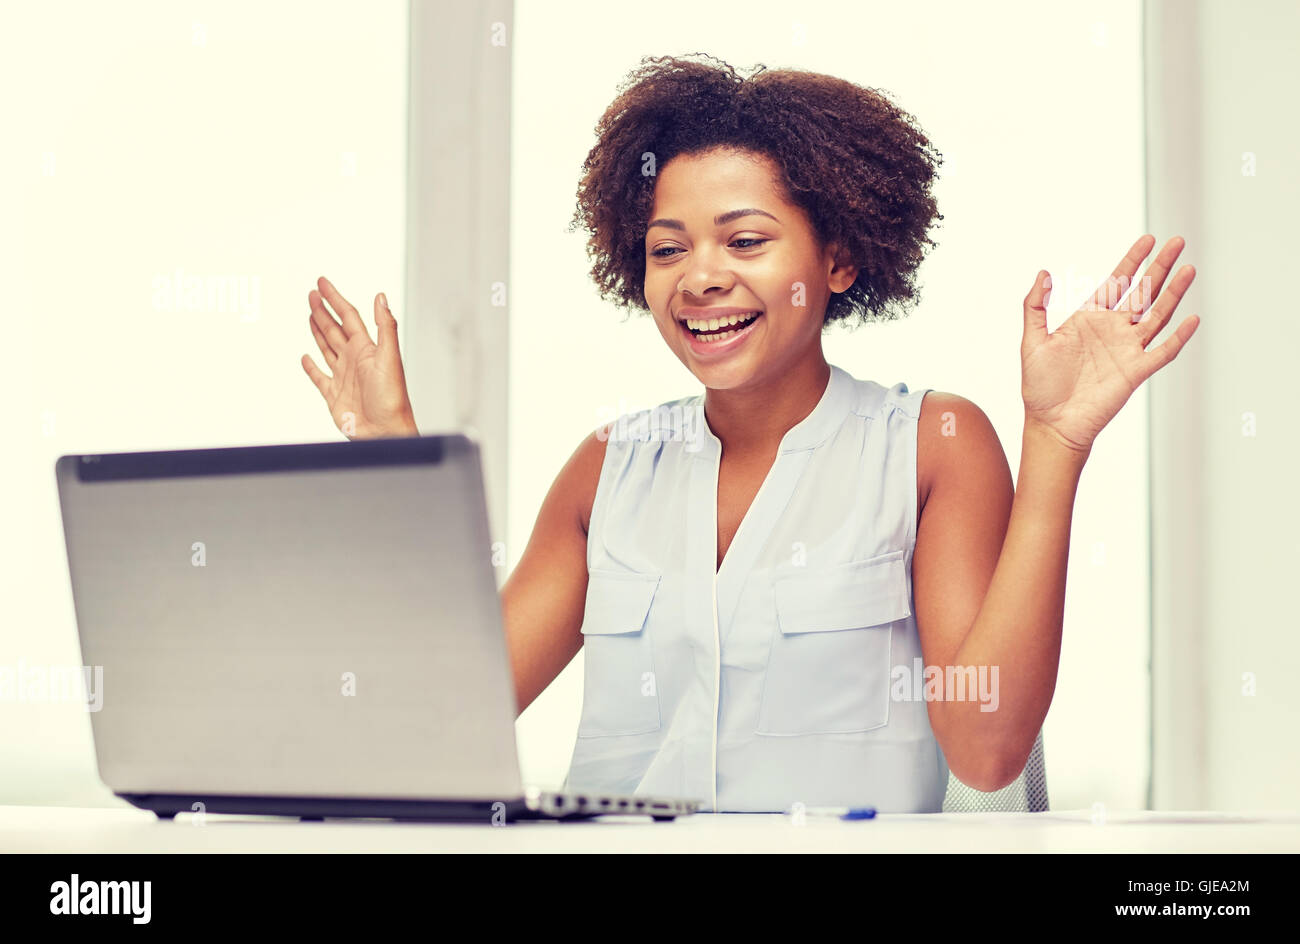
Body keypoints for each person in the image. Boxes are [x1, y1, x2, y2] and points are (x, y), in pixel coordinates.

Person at [300, 54, 1200, 813]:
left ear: (838, 260)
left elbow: (988, 745)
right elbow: (447, 713)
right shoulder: (605, 470)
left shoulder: (932, 443)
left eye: (745, 241)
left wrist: (1056, 439)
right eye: (667, 249)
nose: (700, 277)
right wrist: (394, 462)